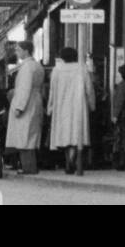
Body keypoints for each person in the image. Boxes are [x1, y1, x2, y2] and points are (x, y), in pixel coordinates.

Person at [47, 45, 94, 174]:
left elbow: (52, 90)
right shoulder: (82, 69)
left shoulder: (56, 70)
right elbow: (89, 89)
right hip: (78, 105)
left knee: (65, 134)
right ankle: (72, 160)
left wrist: (50, 107)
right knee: (76, 133)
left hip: (61, 105)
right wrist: (91, 104)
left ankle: (69, 160)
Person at [5, 40, 45, 174]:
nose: (17, 52)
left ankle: (28, 167)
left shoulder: (27, 68)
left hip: (26, 104)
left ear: (26, 51)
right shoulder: (37, 66)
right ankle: (30, 166)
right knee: (31, 135)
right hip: (35, 101)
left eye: (18, 50)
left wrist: (19, 107)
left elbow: (24, 88)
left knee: (24, 137)